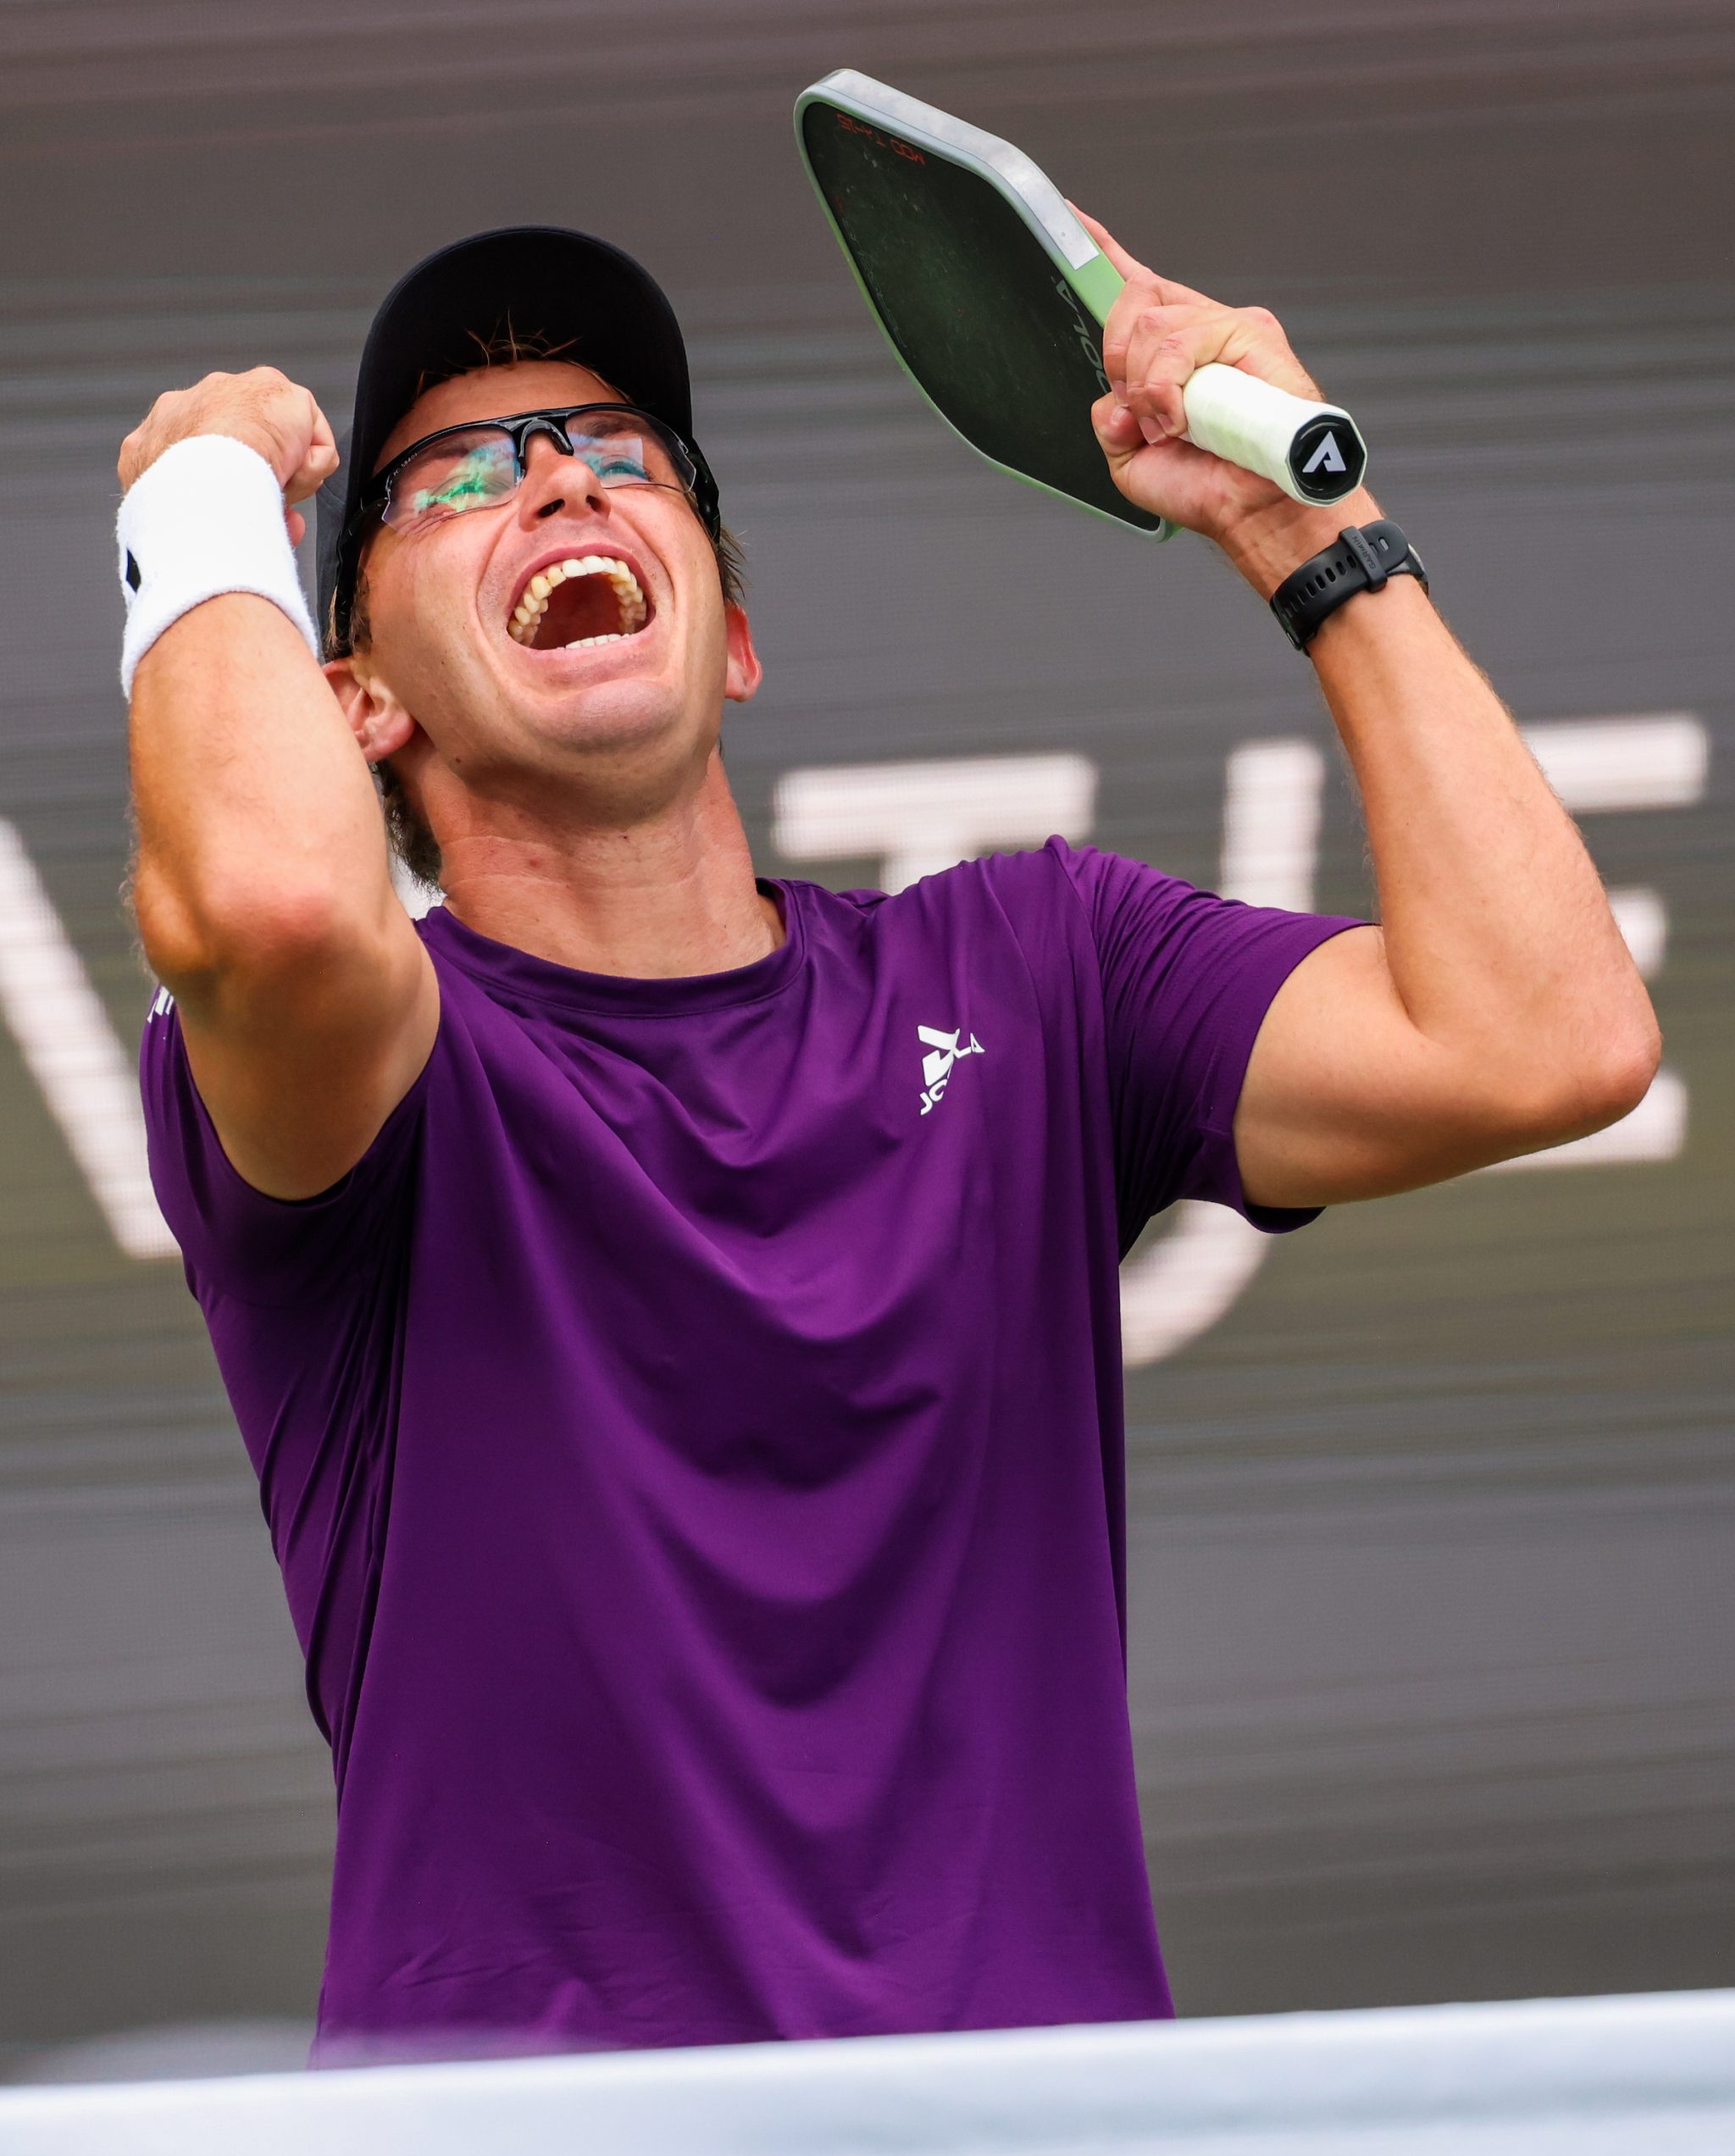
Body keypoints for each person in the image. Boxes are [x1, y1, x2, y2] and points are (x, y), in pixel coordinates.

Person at [119, 221, 1657, 2060]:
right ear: (355, 697)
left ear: (736, 635)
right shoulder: (378, 1069)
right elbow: (282, 907)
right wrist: (205, 504)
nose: (552, 476)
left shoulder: (1038, 968)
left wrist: (1299, 526)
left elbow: (1546, 1034)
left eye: (622, 453)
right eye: (455, 474)